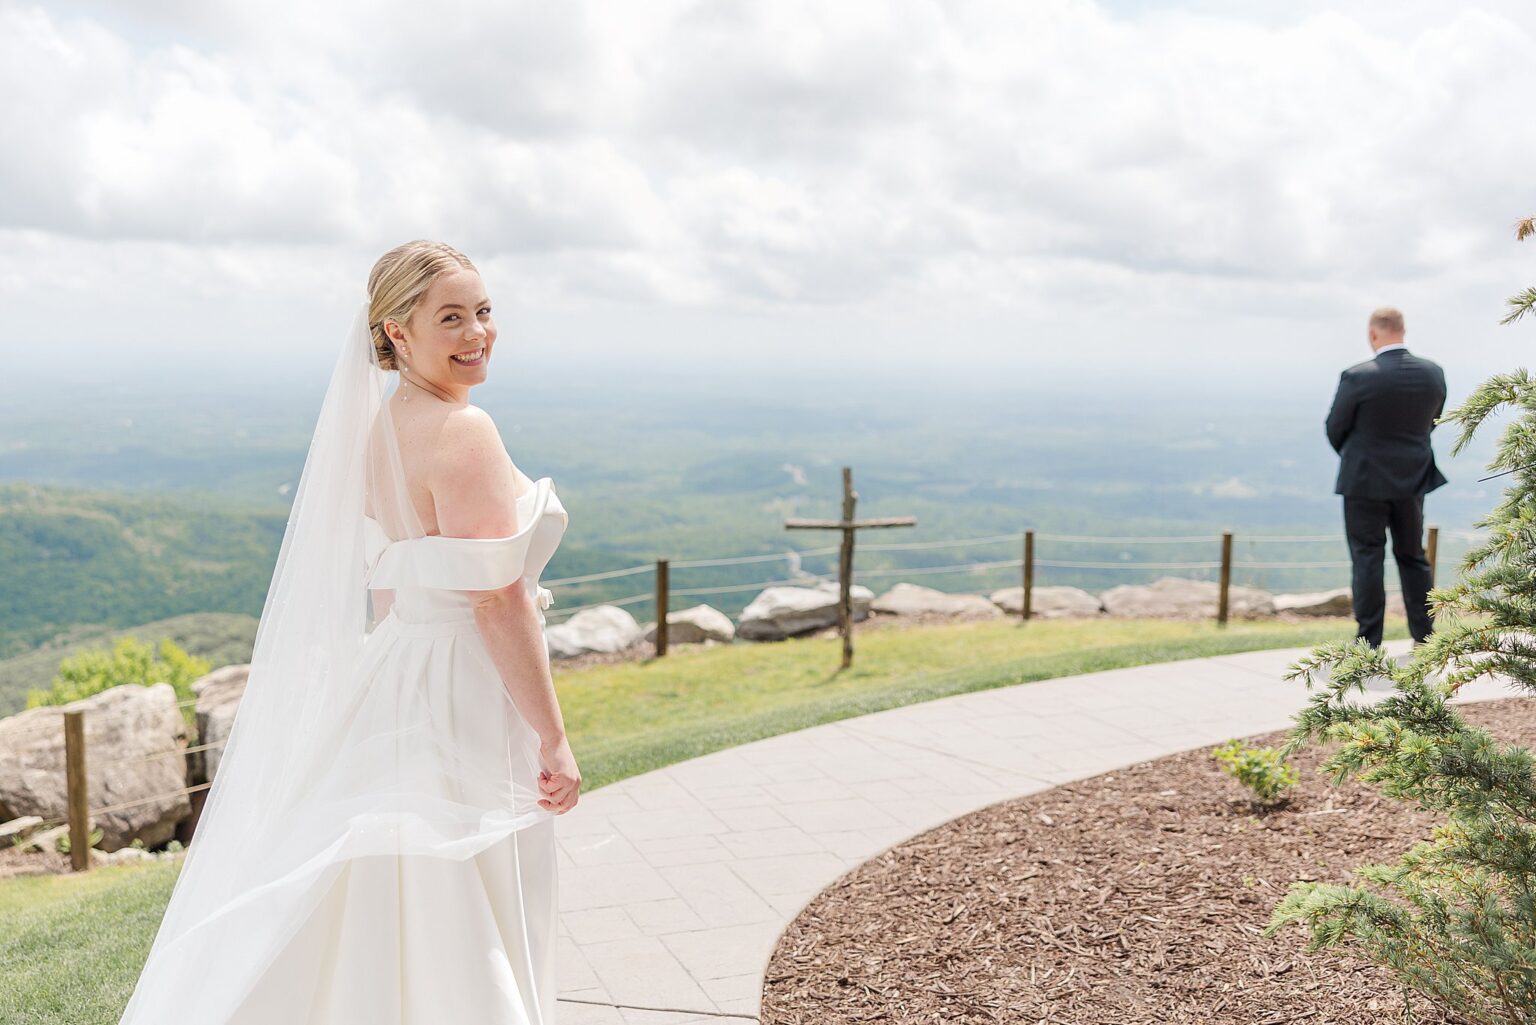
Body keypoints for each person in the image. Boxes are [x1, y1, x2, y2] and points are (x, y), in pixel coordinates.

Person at [116, 240, 580, 1024]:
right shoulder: (466, 431)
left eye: (485, 311)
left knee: (395, 880)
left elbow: (392, 585)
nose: (478, 333)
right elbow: (497, 600)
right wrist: (553, 737)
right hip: (466, 678)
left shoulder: (381, 429)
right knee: (470, 881)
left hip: (402, 666)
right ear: (397, 332)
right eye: (452, 318)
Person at [1325, 306, 1447, 651]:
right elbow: (1432, 420)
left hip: (1364, 481)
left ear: (1373, 334)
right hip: (1412, 480)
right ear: (1403, 331)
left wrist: (1358, 456)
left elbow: (1335, 428)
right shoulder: (1433, 373)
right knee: (1413, 556)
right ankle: (1425, 638)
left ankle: (1368, 642)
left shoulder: (1357, 376)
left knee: (1367, 557)